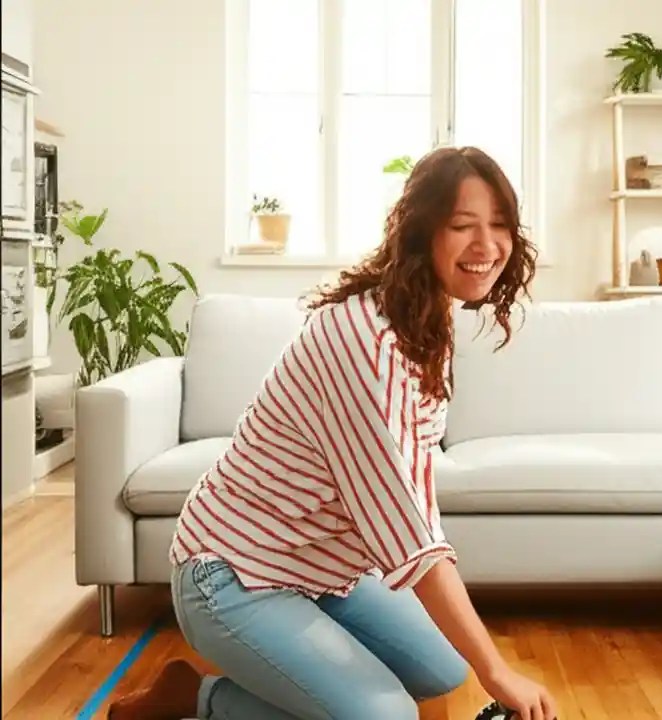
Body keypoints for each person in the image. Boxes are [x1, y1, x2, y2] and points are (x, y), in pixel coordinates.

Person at [108, 146, 555, 720]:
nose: (487, 245)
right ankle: (199, 703)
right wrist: (497, 670)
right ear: (421, 232)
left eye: (499, 225)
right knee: (387, 716)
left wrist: (480, 662)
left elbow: (415, 494)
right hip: (232, 573)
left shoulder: (424, 319)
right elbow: (407, 532)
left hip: (321, 571)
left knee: (442, 669)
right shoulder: (365, 343)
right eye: (463, 225)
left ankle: (222, 691)